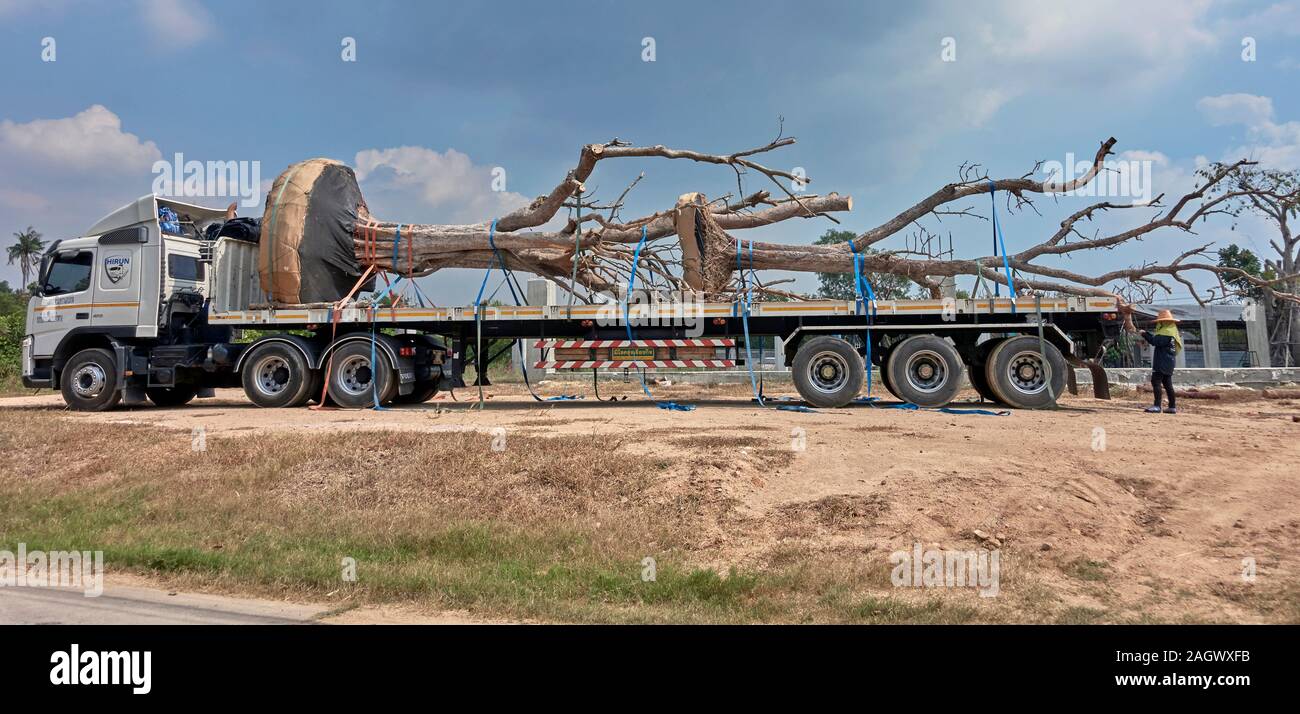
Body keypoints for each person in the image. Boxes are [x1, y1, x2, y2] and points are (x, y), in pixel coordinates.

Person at [1124, 308, 1182, 414]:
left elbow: (1155, 341)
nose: (1159, 324)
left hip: (1162, 362)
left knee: (1156, 381)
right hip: (1169, 362)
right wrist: (1147, 334)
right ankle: (1172, 406)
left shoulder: (1166, 333)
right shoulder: (1172, 332)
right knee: (1167, 384)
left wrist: (1145, 334)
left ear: (1164, 322)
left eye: (1161, 322)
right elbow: (1156, 339)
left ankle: (1157, 406)